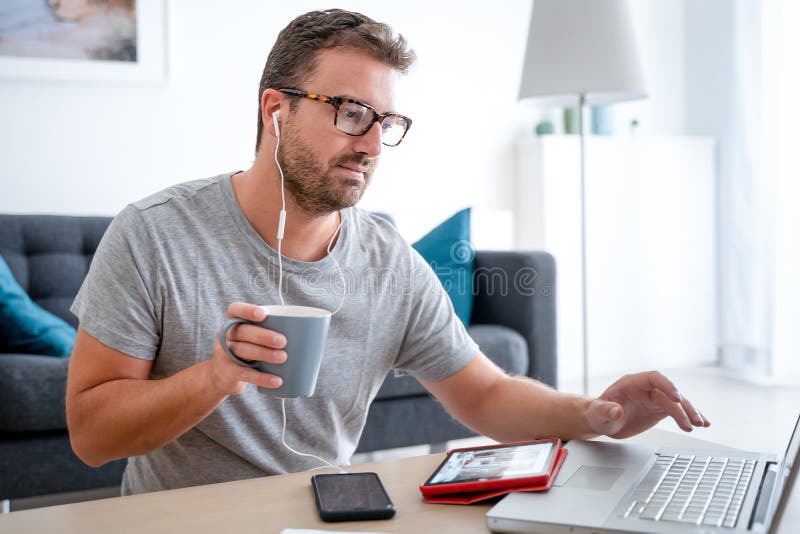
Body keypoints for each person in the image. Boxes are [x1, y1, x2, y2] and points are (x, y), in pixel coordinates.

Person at [65, 8, 710, 496]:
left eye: (386, 122)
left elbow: (485, 394)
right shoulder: (154, 234)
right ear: (276, 111)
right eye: (351, 112)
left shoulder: (387, 261)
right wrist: (215, 378)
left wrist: (596, 414)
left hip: (322, 513)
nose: (373, 144)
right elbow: (91, 437)